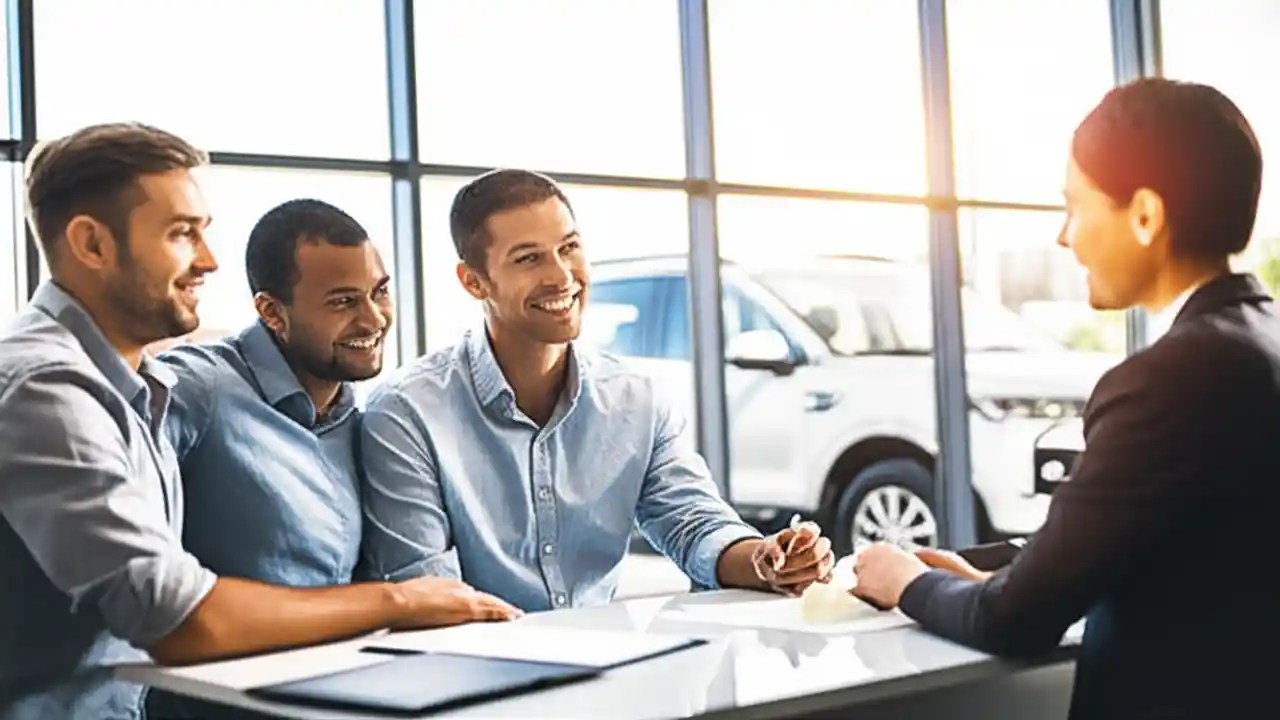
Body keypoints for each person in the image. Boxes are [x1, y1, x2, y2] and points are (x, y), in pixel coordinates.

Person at [0, 123, 517, 720]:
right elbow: (173, 616)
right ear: (91, 244)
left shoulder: (140, 386)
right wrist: (399, 601)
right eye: (181, 234)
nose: (210, 261)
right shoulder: (46, 388)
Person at [850, 78, 1280, 718]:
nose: (1063, 237)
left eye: (1075, 207)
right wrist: (1014, 574)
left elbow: (1013, 623)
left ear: (1144, 215)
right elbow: (1192, 555)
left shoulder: (1172, 377)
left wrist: (903, 579)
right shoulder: (1258, 341)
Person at [359, 168, 834, 612]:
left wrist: (766, 560)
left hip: (606, 670)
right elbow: (428, 595)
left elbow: (695, 525)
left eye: (569, 248)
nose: (562, 276)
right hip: (470, 674)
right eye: (528, 259)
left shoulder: (637, 400)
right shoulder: (407, 414)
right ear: (473, 282)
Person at [160, 199, 391, 588]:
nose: (374, 319)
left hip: (356, 646)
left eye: (380, 292)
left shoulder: (364, 422)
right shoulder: (197, 387)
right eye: (343, 302)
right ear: (271, 312)